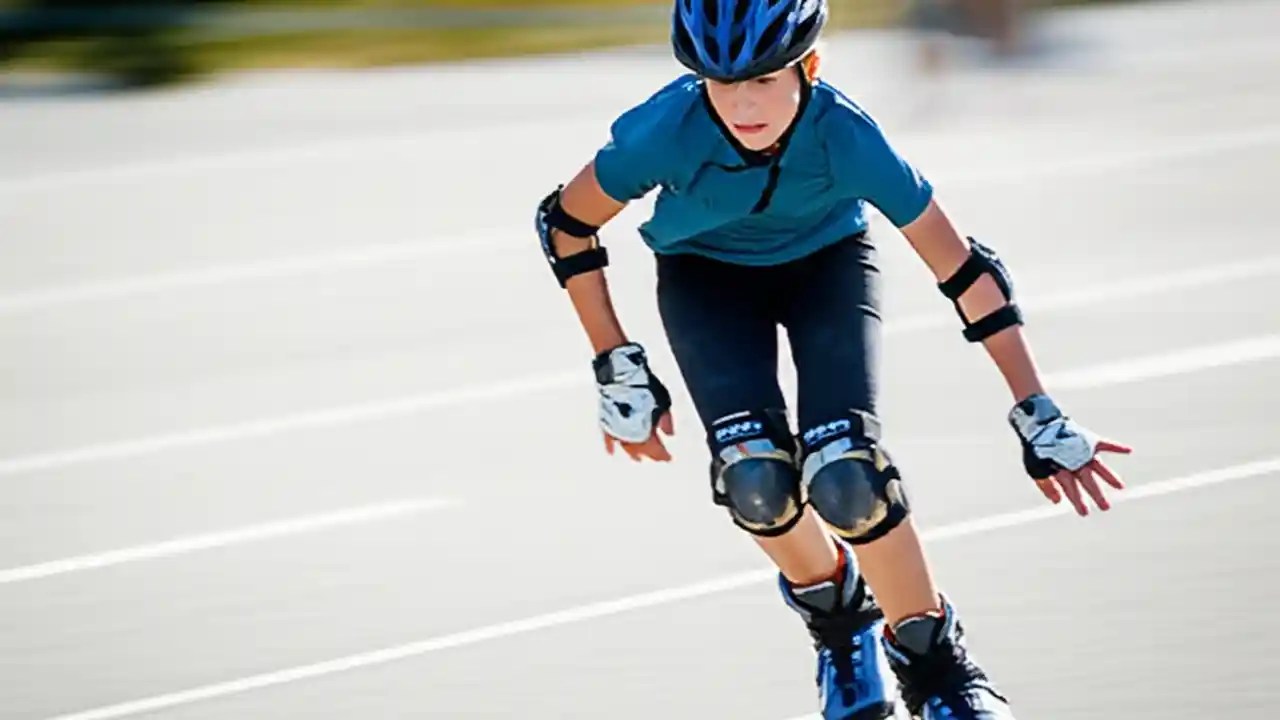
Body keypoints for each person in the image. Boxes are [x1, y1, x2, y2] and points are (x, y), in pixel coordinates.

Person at [533, 0, 1130, 717]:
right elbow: (565, 223)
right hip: (705, 277)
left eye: (765, 79)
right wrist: (615, 360)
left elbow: (966, 271)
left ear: (808, 67)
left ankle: (939, 668)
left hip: (827, 268)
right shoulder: (666, 130)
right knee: (755, 480)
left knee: (849, 476)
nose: (744, 103)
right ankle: (840, 621)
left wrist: (1036, 408)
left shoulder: (846, 135)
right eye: (723, 84)